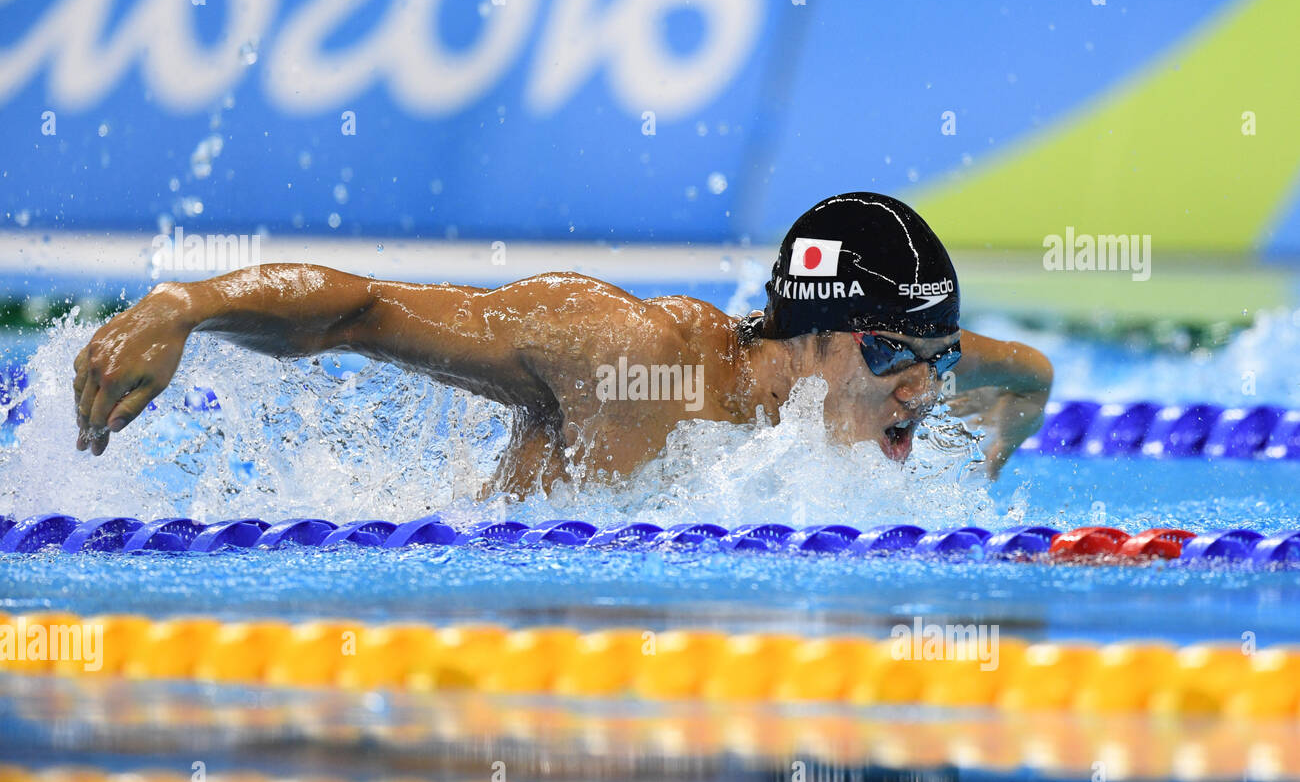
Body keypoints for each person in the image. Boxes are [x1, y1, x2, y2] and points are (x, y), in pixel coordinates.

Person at [72, 192, 1052, 496]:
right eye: (895, 357)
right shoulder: (631, 355)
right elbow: (364, 309)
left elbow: (1026, 382)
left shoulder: (877, 393)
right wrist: (185, 304)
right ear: (813, 337)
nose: (925, 393)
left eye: (941, 359)